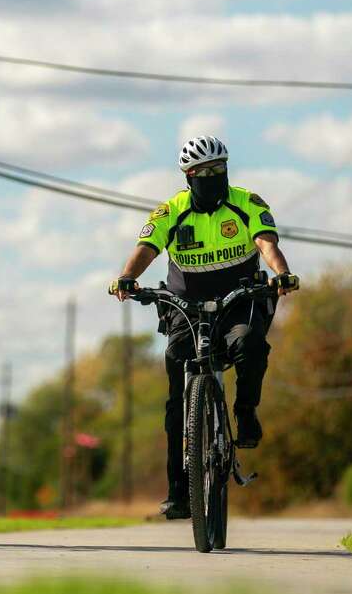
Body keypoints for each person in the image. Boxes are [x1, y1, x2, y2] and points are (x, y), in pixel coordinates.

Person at [110, 136, 298, 519]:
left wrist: (281, 273)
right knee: (175, 391)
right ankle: (178, 492)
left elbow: (266, 243)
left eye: (218, 169)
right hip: (186, 307)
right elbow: (146, 248)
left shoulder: (247, 202)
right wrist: (127, 278)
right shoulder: (170, 212)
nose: (211, 177)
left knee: (249, 343)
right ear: (188, 177)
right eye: (202, 172)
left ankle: (245, 412)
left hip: (239, 300)